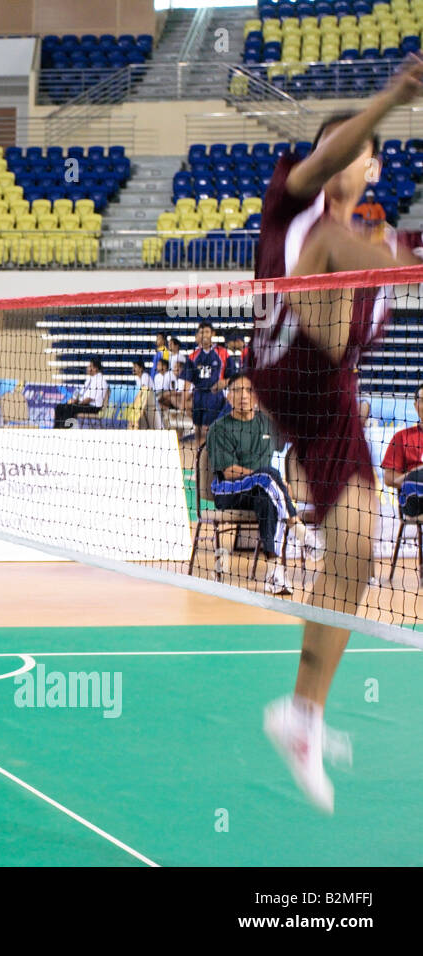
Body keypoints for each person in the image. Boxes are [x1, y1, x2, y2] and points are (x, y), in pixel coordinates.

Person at [252, 62, 423, 813]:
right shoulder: (295, 207)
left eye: (354, 146)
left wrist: (395, 263)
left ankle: (303, 715)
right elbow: (321, 171)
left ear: (376, 165)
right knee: (335, 240)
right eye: (328, 145)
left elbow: (363, 330)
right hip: (282, 367)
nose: (335, 154)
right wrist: (391, 96)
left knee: (357, 545)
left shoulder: (377, 254)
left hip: (330, 406)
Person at [206, 375, 304, 596]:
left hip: (262, 490)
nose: (244, 396)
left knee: (268, 501)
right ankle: (299, 528)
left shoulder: (265, 424)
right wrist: (271, 480)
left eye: (250, 391)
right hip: (229, 491)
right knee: (269, 476)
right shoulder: (219, 428)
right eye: (238, 391)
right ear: (229, 397)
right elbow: (229, 471)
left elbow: (287, 446)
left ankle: (274, 572)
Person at [182, 321, 230, 442]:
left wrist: (224, 382)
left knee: (208, 430)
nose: (204, 335)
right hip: (198, 395)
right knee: (197, 429)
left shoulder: (223, 353)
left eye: (207, 331)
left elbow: (233, 377)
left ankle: (208, 455)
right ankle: (198, 455)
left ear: (212, 333)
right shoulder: (193, 356)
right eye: (202, 332)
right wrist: (183, 400)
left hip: (214, 396)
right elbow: (187, 380)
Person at [380, 384, 423, 516]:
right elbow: (389, 478)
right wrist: (414, 475)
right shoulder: (402, 437)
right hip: (416, 501)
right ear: (416, 406)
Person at [53, 357, 106, 428]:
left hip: (93, 407)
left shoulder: (100, 381)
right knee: (60, 407)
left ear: (95, 368)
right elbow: (81, 392)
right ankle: (56, 429)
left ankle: (65, 429)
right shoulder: (90, 379)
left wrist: (78, 402)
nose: (87, 368)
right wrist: (73, 399)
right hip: (84, 404)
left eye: (89, 366)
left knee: (69, 408)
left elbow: (89, 399)